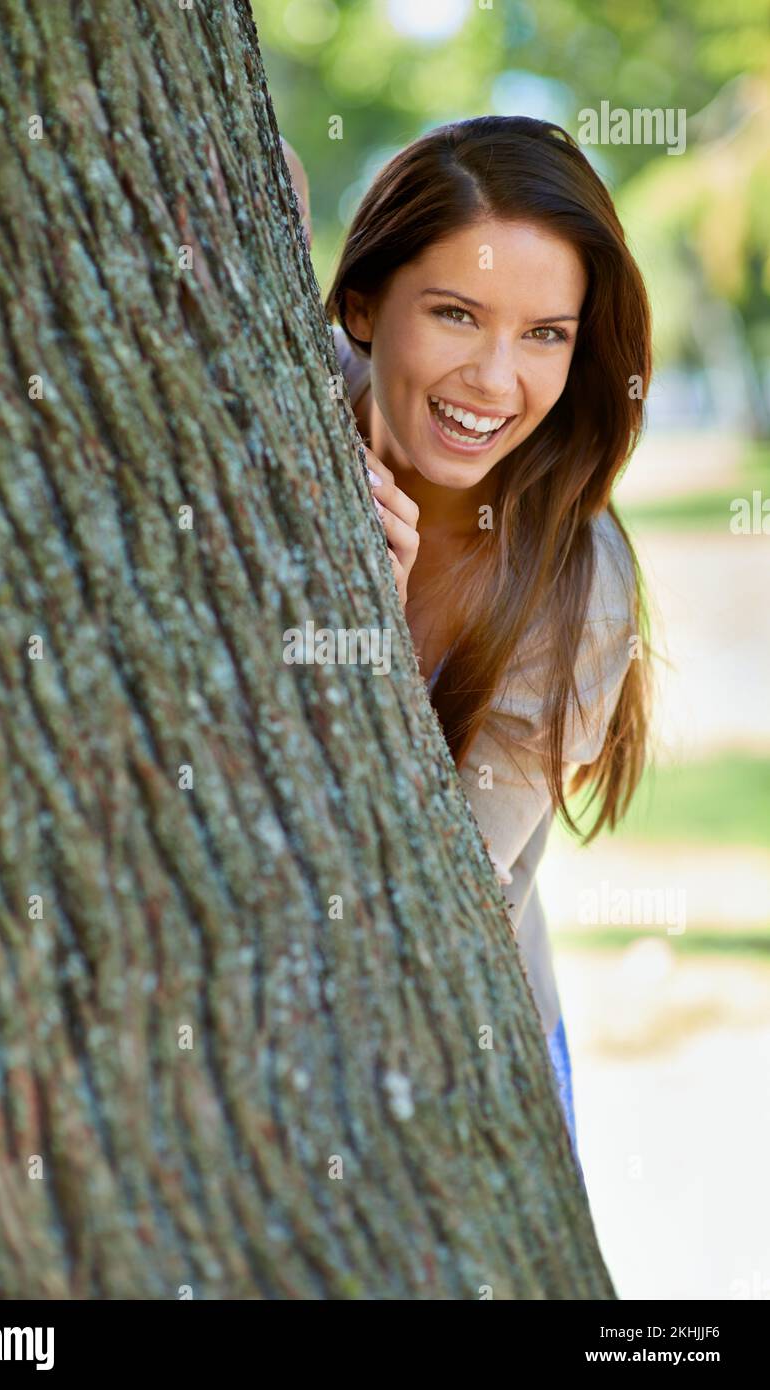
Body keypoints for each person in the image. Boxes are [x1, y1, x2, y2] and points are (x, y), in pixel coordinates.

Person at [282, 119, 653, 1171]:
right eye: (456, 314)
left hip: (465, 1050)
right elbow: (273, 162)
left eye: (546, 333)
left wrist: (372, 628)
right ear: (361, 304)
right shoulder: (289, 403)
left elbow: (434, 895)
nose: (497, 380)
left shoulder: (580, 587)